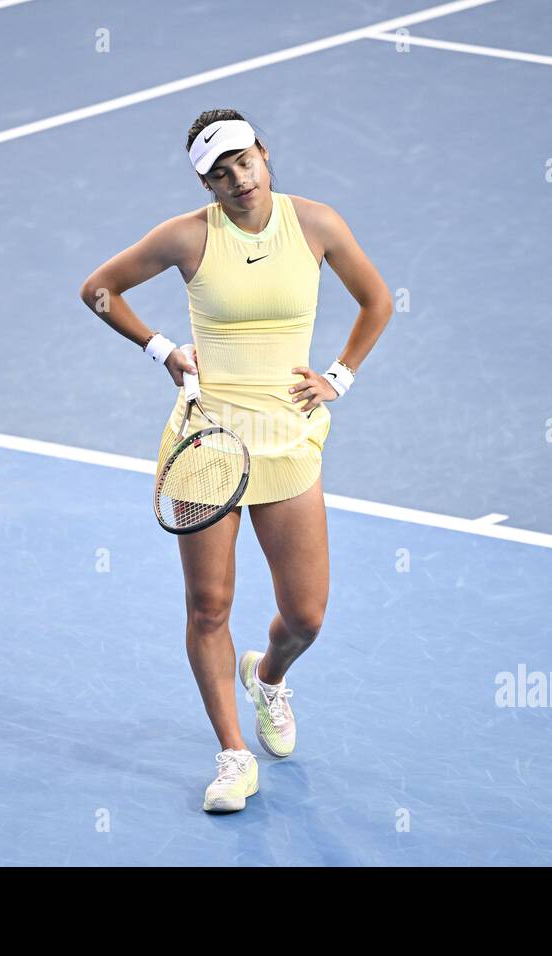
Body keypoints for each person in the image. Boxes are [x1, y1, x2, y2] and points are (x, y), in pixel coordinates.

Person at [79, 108, 392, 812]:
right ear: (206, 182)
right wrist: (162, 350)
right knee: (208, 606)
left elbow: (377, 301)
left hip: (286, 441)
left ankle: (269, 677)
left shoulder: (316, 225)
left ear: (264, 154)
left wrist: (337, 377)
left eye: (244, 162)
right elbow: (99, 289)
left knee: (306, 616)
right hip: (206, 446)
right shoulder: (187, 237)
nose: (237, 179)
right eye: (219, 173)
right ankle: (232, 757)